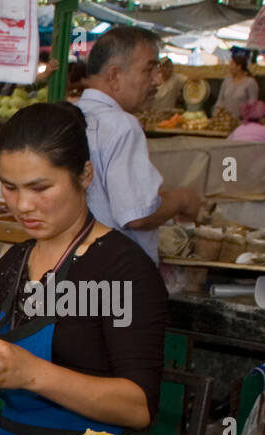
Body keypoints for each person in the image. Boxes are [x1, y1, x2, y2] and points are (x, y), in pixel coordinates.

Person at [0, 102, 167, 435]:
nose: (23, 205)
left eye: (40, 187)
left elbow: (138, 406)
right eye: (10, 188)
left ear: (84, 175)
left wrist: (32, 374)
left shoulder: (123, 268)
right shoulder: (14, 262)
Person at [77, 26, 200, 263]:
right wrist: (182, 199)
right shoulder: (122, 125)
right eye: (149, 69)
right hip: (117, 276)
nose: (158, 79)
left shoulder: (74, 113)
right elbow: (137, 216)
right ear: (114, 76)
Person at [216, 48, 259, 120]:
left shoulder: (250, 82)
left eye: (232, 64)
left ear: (239, 67)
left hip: (243, 120)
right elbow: (220, 99)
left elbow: (253, 103)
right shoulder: (227, 81)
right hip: (225, 120)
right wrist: (218, 112)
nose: (229, 67)